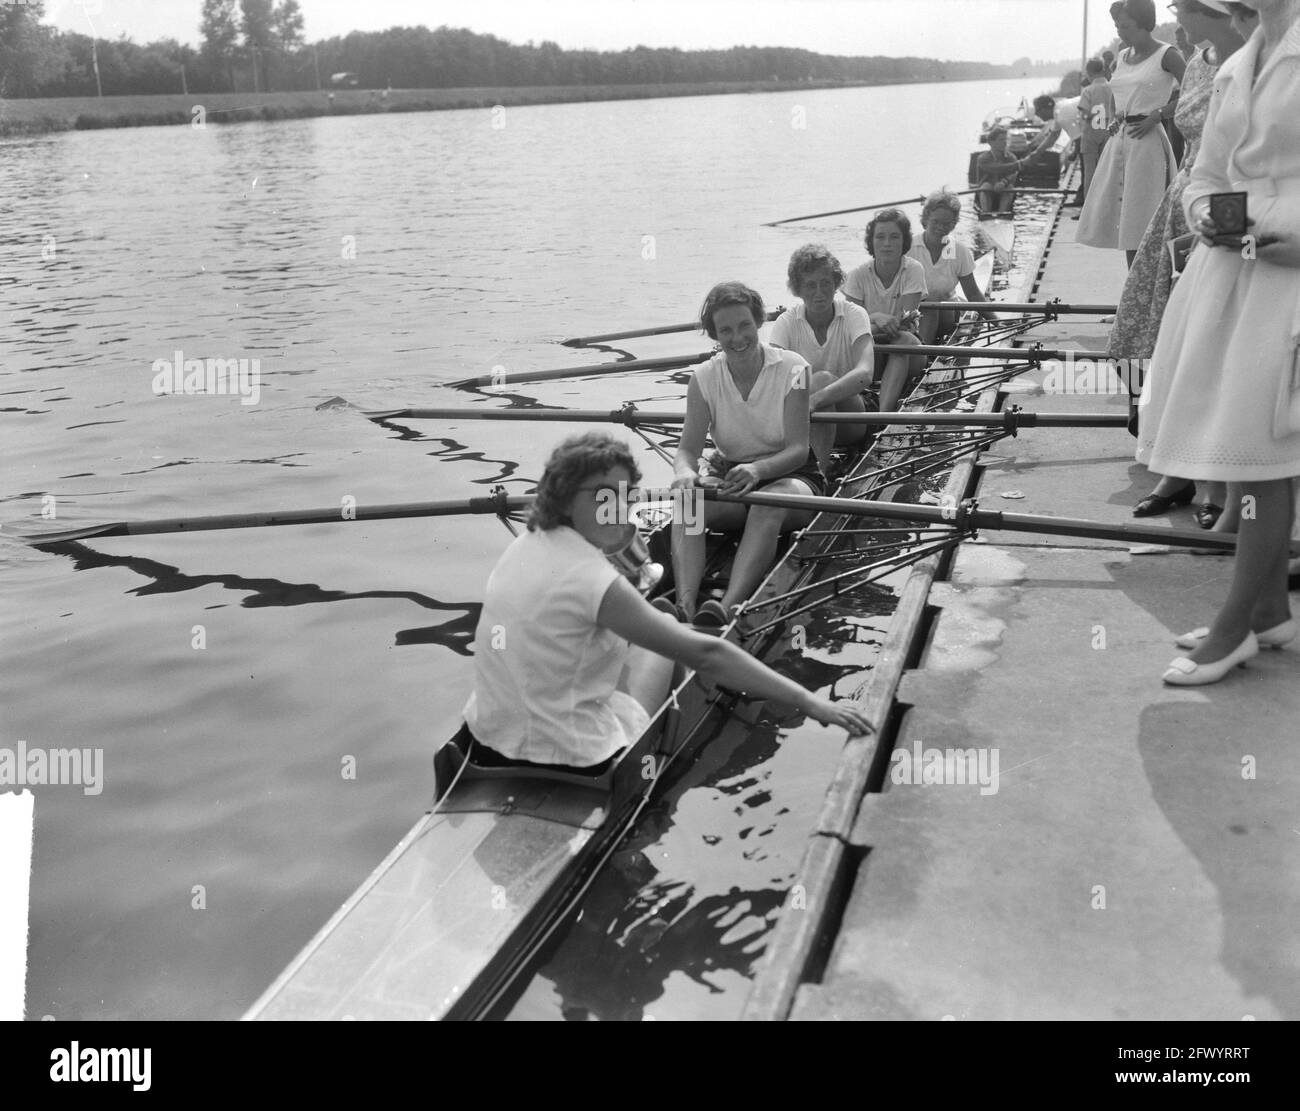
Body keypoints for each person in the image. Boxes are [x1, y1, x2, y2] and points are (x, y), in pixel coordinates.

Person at [461, 432, 873, 768]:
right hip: (571, 754)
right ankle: (665, 740)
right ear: (565, 496)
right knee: (677, 633)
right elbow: (709, 654)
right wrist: (810, 702)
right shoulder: (591, 579)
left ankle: (667, 617)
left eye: (626, 495)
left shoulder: (526, 544)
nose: (619, 508)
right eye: (603, 496)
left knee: (649, 618)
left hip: (487, 734)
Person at [1135, 0, 1300, 686]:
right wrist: (1206, 216)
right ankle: (1267, 612)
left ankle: (1233, 626)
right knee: (1248, 452)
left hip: (1289, 275)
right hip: (1230, 268)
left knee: (1263, 453)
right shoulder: (1240, 59)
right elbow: (1206, 174)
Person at [1111, 0, 1244, 525]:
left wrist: (1230, 235)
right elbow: (1197, 145)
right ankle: (1180, 466)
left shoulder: (1261, 63)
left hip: (1232, 215)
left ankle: (1217, 480)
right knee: (1167, 336)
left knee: (1212, 341)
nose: (1176, 23)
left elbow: (1248, 160)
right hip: (1188, 204)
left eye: (1182, 10)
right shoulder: (1203, 60)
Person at [671, 282, 826, 627]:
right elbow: (687, 450)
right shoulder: (703, 378)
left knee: (766, 503)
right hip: (734, 480)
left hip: (793, 478)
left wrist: (757, 470)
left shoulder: (795, 368)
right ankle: (684, 605)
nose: (737, 337)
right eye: (725, 330)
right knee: (688, 503)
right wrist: (683, 472)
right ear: (715, 335)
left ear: (758, 322)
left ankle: (724, 609)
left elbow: (799, 450)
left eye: (744, 325)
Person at [1077, 0, 1187, 266]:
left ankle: (1154, 293)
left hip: (1148, 142)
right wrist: (1116, 115)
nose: (1119, 32)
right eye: (1117, 25)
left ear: (1144, 24)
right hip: (1121, 142)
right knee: (1127, 225)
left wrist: (1158, 114)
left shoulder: (1167, 54)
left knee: (1145, 220)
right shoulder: (1122, 56)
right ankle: (1132, 298)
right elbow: (1118, 91)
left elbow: (1194, 93)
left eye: (1125, 26)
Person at [769, 245, 875, 474]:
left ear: (836, 284)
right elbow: (771, 379)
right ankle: (677, 506)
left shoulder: (855, 314)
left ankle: (817, 475)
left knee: (821, 379)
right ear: (797, 289)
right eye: (810, 285)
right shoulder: (786, 323)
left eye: (826, 283)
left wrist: (814, 400)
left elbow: (865, 374)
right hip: (800, 416)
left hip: (852, 416)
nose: (819, 292)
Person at [844, 209, 928, 411]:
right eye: (880, 237)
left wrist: (867, 321)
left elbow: (904, 324)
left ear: (904, 241)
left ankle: (881, 415)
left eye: (894, 236)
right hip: (872, 352)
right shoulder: (856, 276)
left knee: (902, 339)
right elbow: (849, 330)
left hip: (910, 353)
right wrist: (876, 317)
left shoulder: (914, 269)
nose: (887, 243)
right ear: (871, 242)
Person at [907, 190, 997, 346]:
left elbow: (973, 294)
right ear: (926, 219)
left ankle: (920, 353)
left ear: (954, 224)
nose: (941, 227)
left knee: (931, 307)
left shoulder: (960, 251)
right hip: (910, 313)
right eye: (936, 222)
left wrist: (997, 321)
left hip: (946, 313)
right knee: (926, 308)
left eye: (947, 223)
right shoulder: (907, 248)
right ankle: (919, 351)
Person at [1075, 58, 1116, 209]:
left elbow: (1085, 112)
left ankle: (1088, 208)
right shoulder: (1112, 87)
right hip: (1109, 130)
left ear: (1089, 73)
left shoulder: (1088, 90)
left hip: (1091, 131)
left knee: (1089, 172)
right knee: (1108, 170)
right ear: (1103, 70)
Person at [973, 126, 1020, 215]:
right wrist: (1017, 165)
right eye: (1001, 140)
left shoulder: (1011, 158)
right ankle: (986, 214)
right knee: (986, 186)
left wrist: (1004, 182)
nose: (1005, 143)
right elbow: (996, 168)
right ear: (991, 142)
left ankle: (1002, 214)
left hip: (1004, 192)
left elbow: (1014, 173)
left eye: (1005, 139)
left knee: (1009, 188)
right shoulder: (983, 158)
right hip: (987, 193)